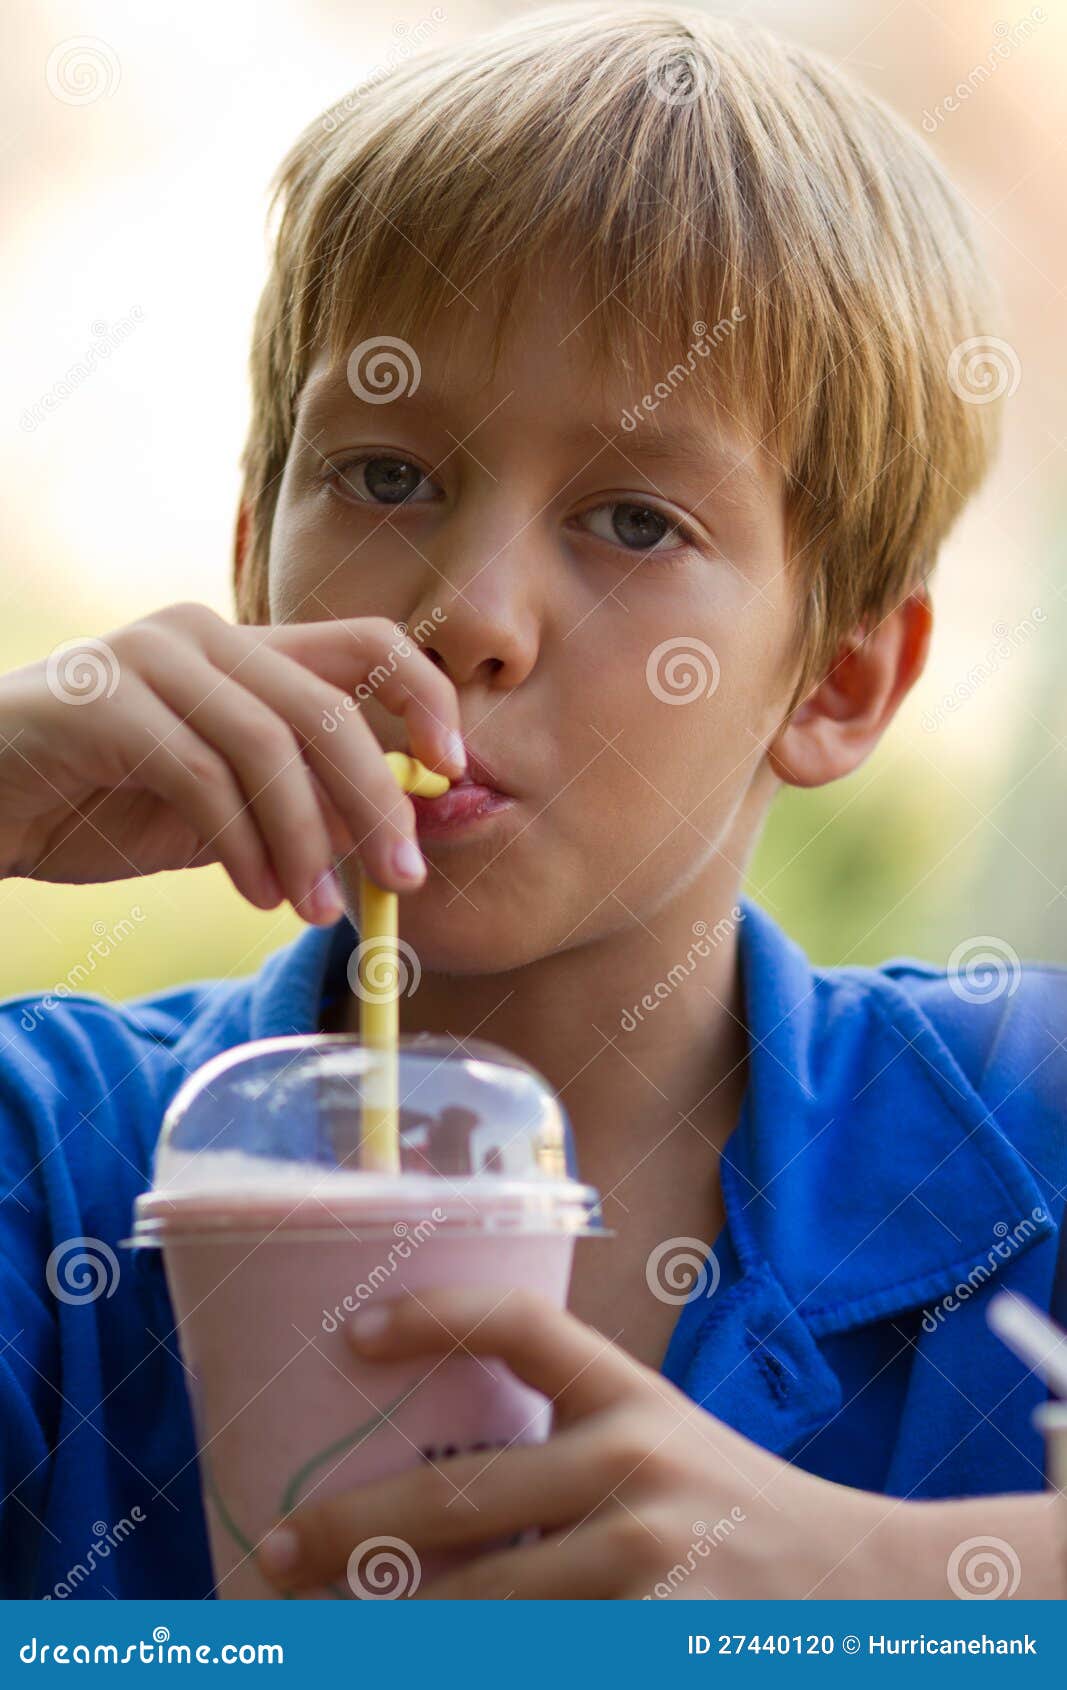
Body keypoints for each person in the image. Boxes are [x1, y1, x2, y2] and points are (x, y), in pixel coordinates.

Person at [1, 4, 1064, 1600]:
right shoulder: (57, 1158)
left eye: (634, 518)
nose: (470, 613)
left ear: (840, 678)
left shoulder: (1025, 1138)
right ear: (251, 556)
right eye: (385, 476)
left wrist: (896, 1580)